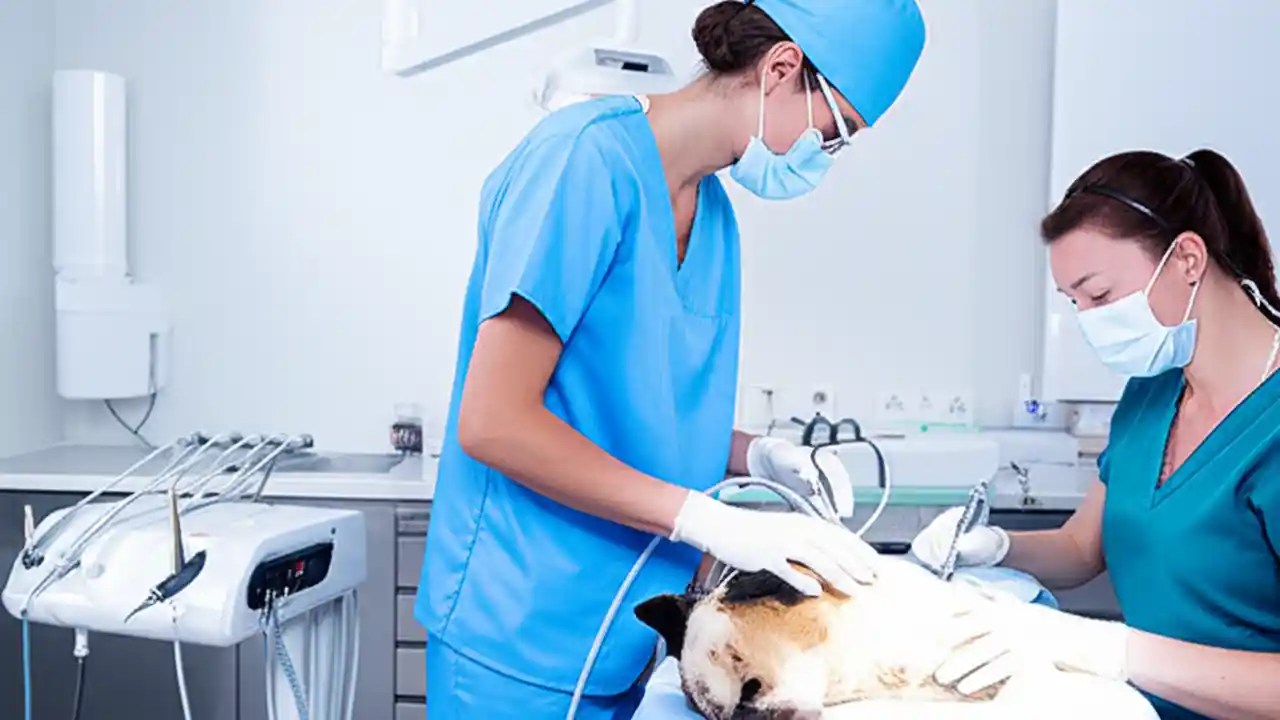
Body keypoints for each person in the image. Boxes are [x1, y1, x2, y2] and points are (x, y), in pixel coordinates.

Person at [415, 1, 927, 717]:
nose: (824, 156)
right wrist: (705, 519)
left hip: (632, 636)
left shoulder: (712, 214)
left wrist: (759, 455)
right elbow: (494, 422)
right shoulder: (582, 162)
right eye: (834, 132)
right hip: (521, 632)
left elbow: (630, 412)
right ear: (781, 69)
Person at [913, 149, 1280, 719]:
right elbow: (1084, 548)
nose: (1088, 320)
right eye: (1074, 303)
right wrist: (997, 547)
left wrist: (1106, 650)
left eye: (1100, 295)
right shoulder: (1153, 394)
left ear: (1186, 258)